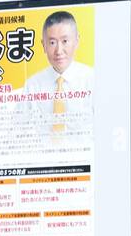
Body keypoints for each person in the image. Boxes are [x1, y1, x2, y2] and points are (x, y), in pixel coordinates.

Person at [23, 9, 94, 140]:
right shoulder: (32, 85)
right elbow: (19, 128)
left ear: (77, 40)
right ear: (43, 45)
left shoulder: (93, 79)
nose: (59, 51)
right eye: (52, 43)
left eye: (65, 41)